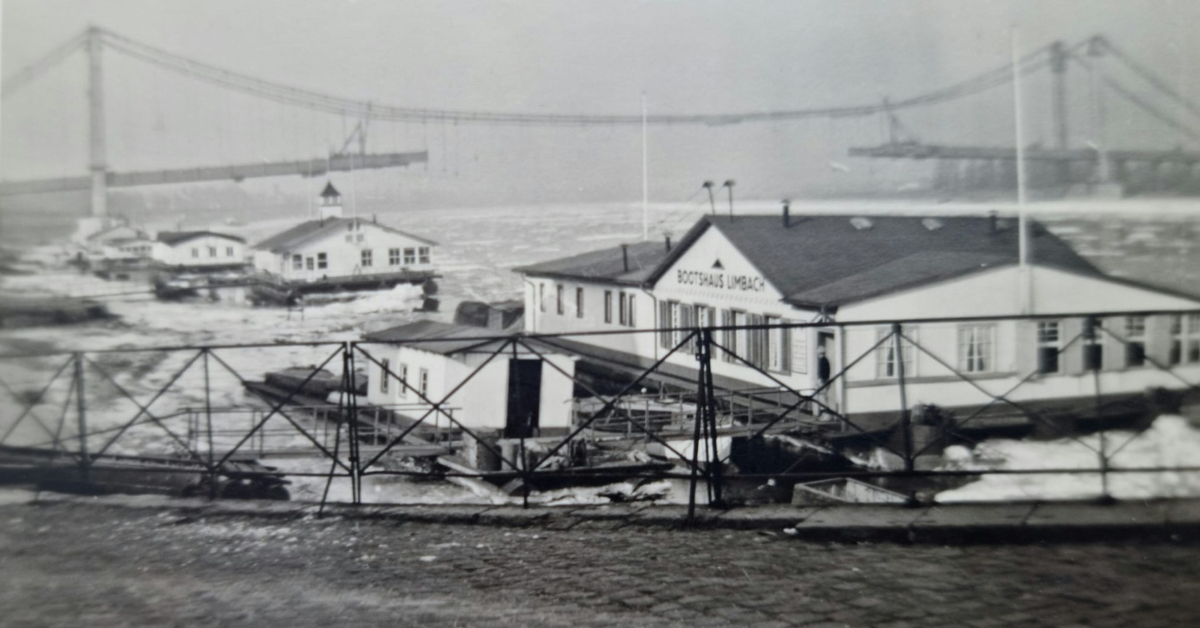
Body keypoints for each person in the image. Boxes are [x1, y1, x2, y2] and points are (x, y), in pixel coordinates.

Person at [816, 345, 832, 422]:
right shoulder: (823, 360)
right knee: (822, 398)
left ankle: (827, 415)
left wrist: (822, 381)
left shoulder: (823, 361)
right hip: (823, 381)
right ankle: (824, 414)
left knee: (823, 399)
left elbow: (825, 373)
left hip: (823, 382)